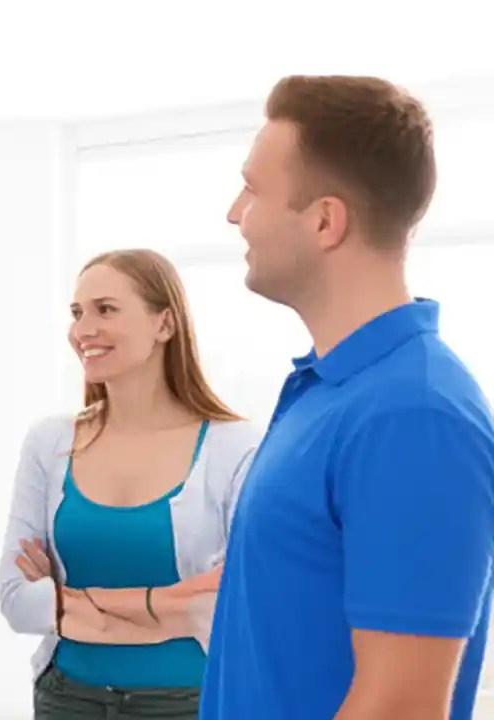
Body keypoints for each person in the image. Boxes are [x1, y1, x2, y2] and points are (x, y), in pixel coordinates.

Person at [202, 75, 494, 720]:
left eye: (252, 188)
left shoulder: (415, 415)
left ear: (325, 221)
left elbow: (399, 709)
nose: (233, 212)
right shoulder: (325, 392)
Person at [0, 248, 261, 719]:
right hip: (66, 700)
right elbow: (17, 600)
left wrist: (68, 602)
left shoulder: (233, 446)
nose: (83, 330)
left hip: (188, 704)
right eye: (77, 313)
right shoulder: (49, 442)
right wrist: (167, 603)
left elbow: (235, 603)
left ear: (164, 324)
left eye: (106, 309)